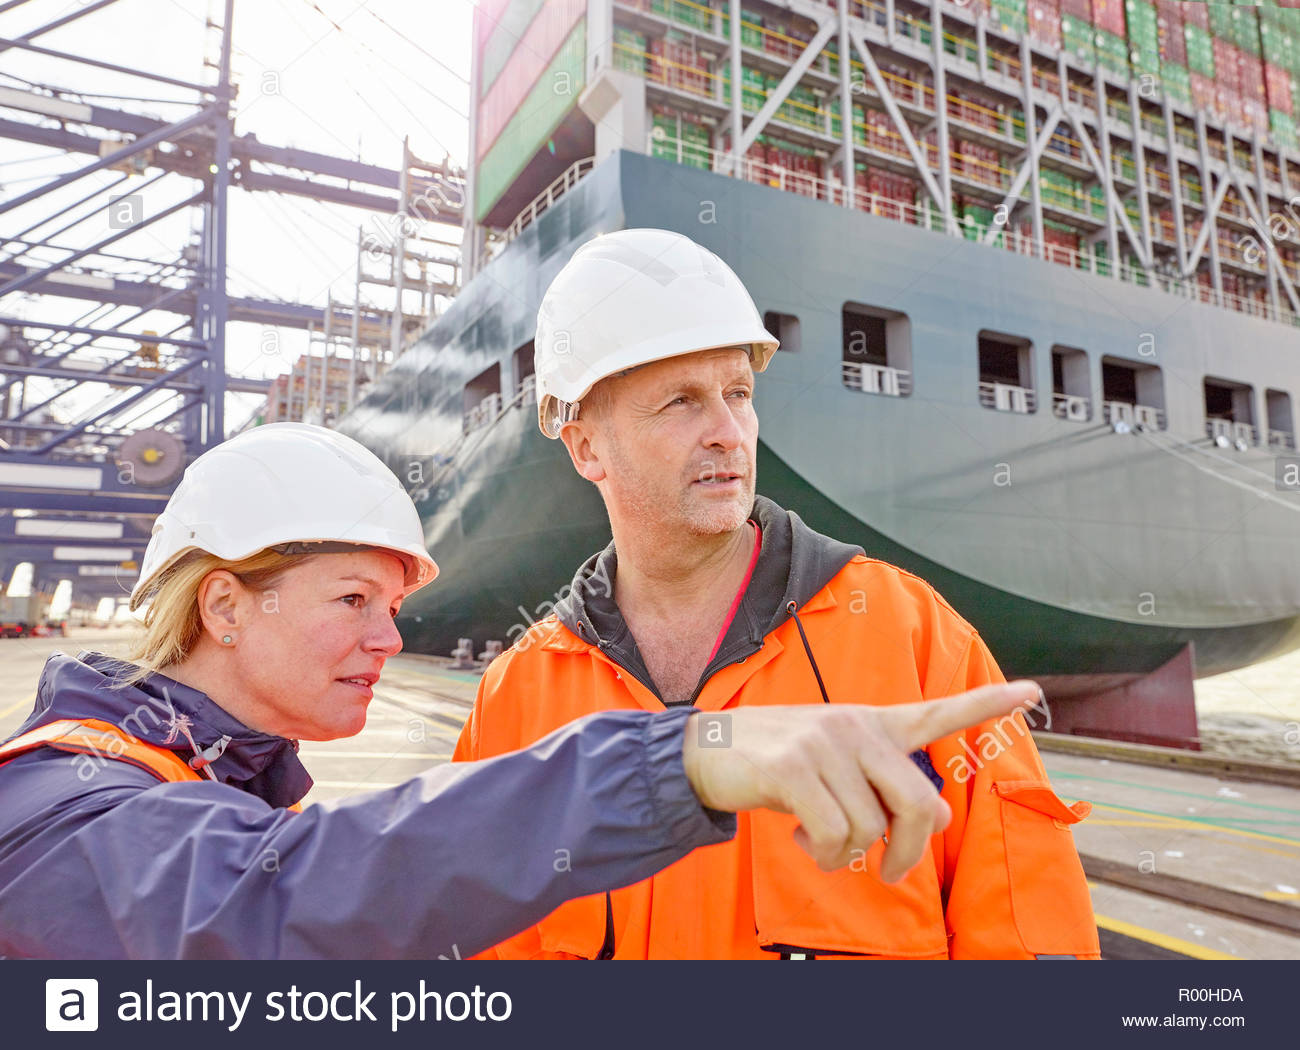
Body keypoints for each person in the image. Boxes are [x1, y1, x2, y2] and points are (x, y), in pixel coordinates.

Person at [0, 423, 1034, 960]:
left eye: (392, 602)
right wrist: (681, 757)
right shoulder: (56, 810)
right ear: (225, 607)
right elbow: (277, 902)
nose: (388, 637)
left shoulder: (219, 783)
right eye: (354, 598)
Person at [454, 228, 1101, 960]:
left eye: (738, 393)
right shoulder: (515, 700)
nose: (730, 433)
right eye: (681, 403)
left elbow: (1032, 940)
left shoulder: (915, 639)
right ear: (586, 448)